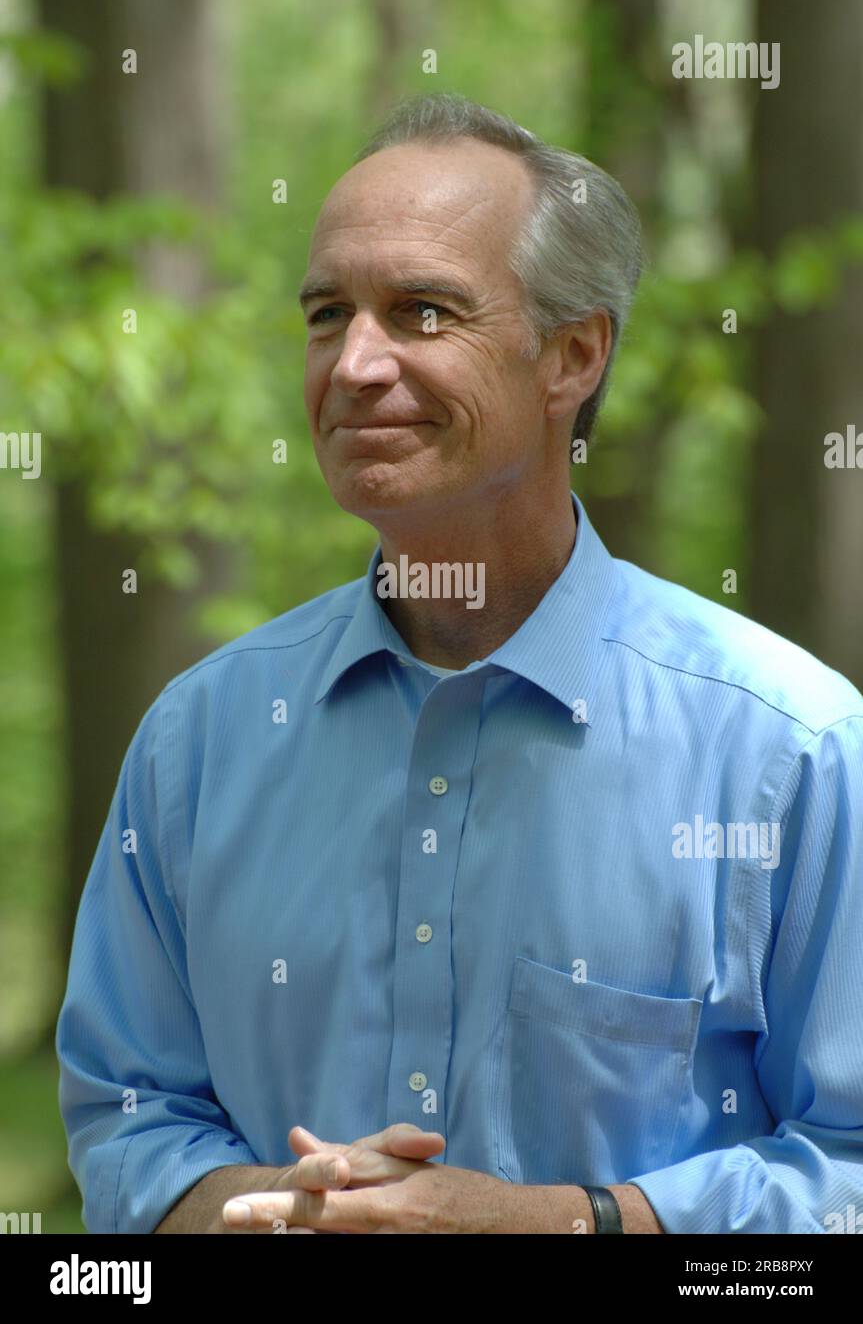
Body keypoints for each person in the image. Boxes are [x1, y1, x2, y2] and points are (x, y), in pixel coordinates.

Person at [57, 93, 863, 1234]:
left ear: (571, 356)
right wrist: (276, 1209)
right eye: (327, 313)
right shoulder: (199, 741)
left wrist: (563, 1224)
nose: (354, 364)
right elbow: (125, 1115)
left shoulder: (789, 749)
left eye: (421, 311)